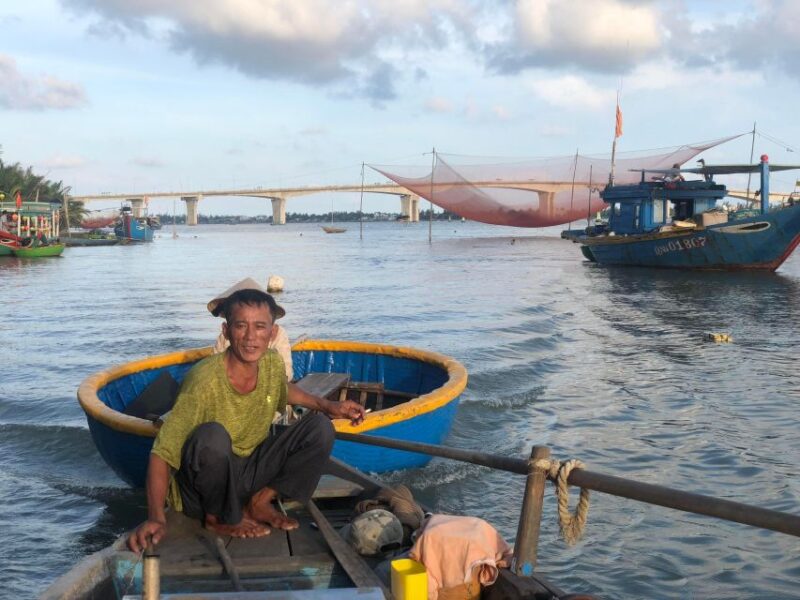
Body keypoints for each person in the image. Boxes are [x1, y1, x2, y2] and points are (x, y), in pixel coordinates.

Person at [127, 279, 366, 552]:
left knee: (320, 428)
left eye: (260, 327)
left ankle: (260, 501)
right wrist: (156, 517)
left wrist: (327, 406)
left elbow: (284, 390)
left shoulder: (272, 363)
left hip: (249, 474)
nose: (251, 336)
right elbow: (162, 453)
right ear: (226, 331)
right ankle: (218, 518)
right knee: (212, 436)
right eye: (241, 326)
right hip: (205, 488)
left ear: (272, 333)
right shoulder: (203, 380)